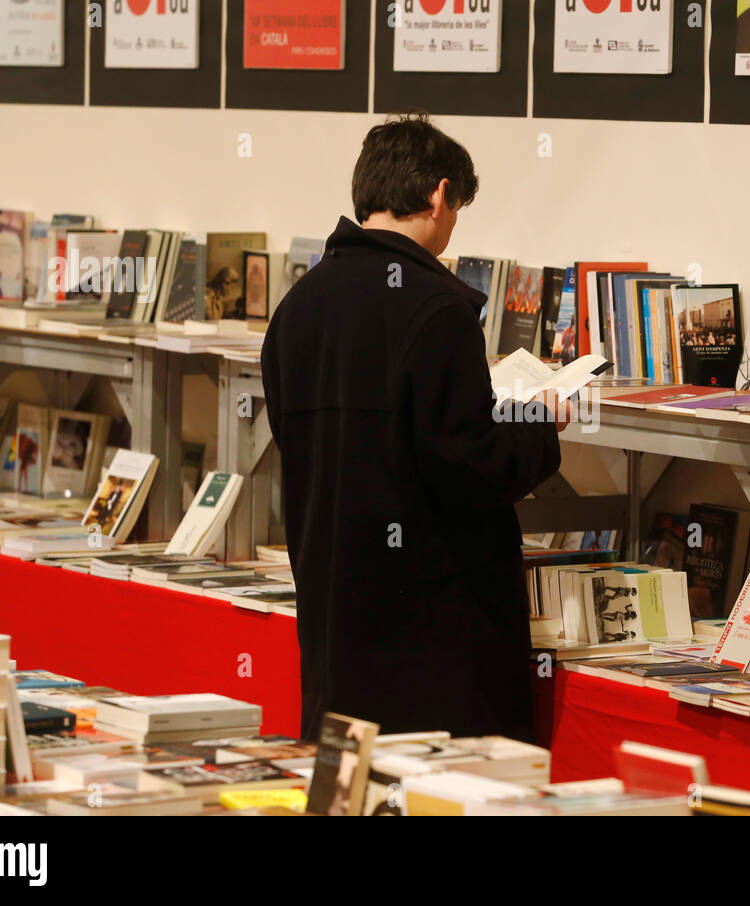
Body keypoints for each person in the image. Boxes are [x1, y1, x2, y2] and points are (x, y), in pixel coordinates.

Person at [262, 113, 571, 743]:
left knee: (352, 786)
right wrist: (540, 421)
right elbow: (471, 462)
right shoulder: (437, 309)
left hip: (332, 605)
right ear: (437, 194)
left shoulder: (299, 305)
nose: (453, 224)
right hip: (435, 627)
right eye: (457, 206)